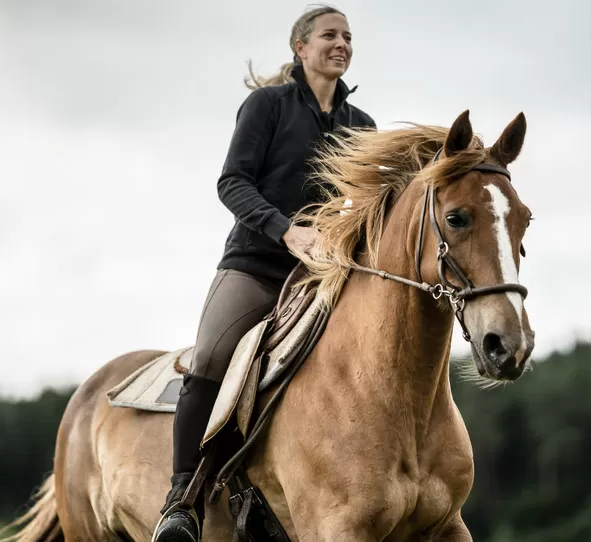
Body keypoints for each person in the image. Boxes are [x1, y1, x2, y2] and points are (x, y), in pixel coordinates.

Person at [154, 5, 376, 541]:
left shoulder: (362, 126)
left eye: (348, 36)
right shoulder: (267, 105)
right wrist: (287, 232)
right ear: (301, 47)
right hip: (255, 267)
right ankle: (183, 500)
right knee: (210, 357)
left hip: (325, 276)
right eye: (329, 35)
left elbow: (370, 207)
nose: (341, 43)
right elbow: (232, 183)